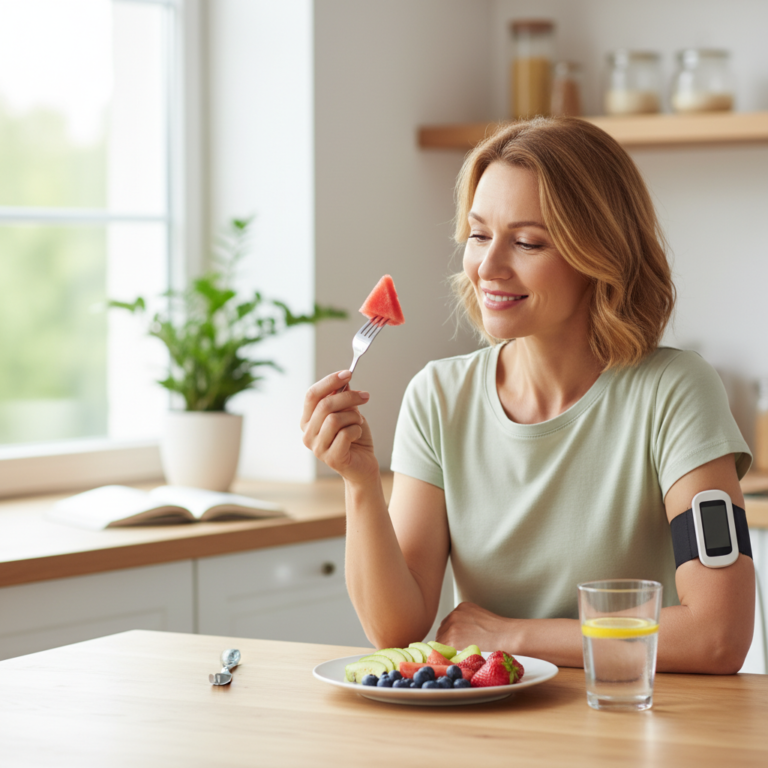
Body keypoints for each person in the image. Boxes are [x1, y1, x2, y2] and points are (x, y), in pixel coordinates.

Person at [300, 117, 755, 673]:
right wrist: (360, 484)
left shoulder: (676, 393)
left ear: (600, 255)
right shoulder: (439, 397)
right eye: (478, 234)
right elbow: (395, 630)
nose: (488, 268)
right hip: (492, 738)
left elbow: (717, 636)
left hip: (628, 724)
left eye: (527, 242)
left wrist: (511, 635)